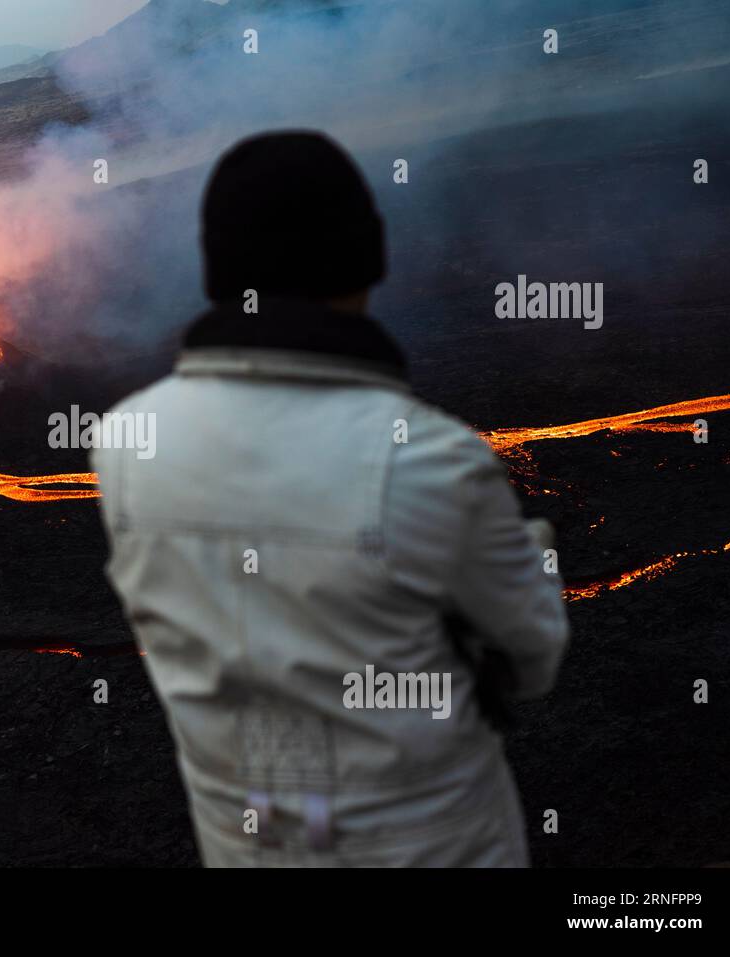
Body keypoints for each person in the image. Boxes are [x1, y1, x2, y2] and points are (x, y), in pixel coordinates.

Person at [91, 130, 570, 867]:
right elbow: (531, 656)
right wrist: (529, 558)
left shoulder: (125, 441)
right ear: (365, 255)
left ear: (219, 269)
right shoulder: (431, 459)